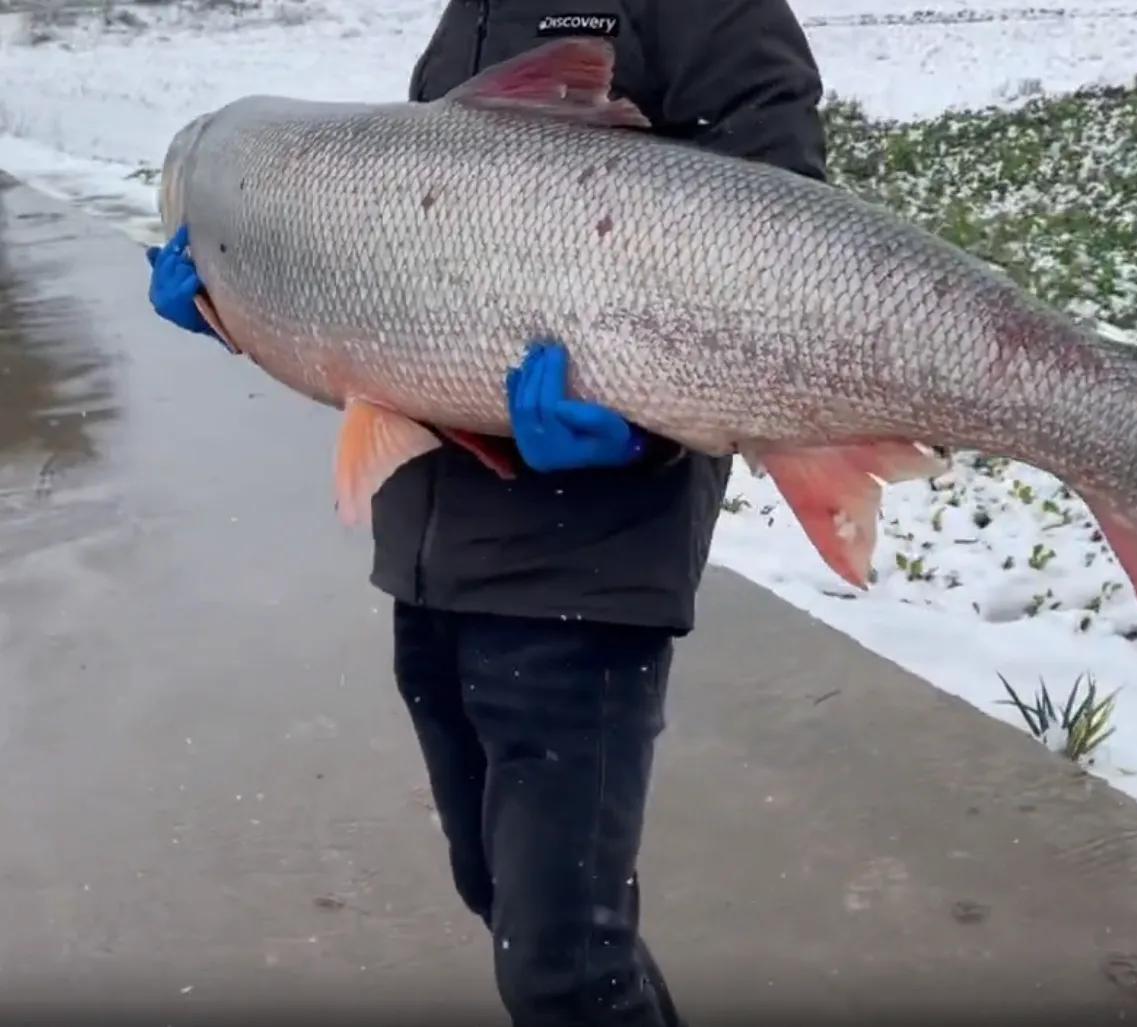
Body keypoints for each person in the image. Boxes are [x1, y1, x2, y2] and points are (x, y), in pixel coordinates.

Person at [145, 2, 829, 1023]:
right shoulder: (474, 11)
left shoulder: (713, 11)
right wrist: (246, 305)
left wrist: (639, 430)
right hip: (436, 556)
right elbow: (419, 261)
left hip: (587, 574)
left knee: (562, 966)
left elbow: (796, 264)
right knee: (508, 902)